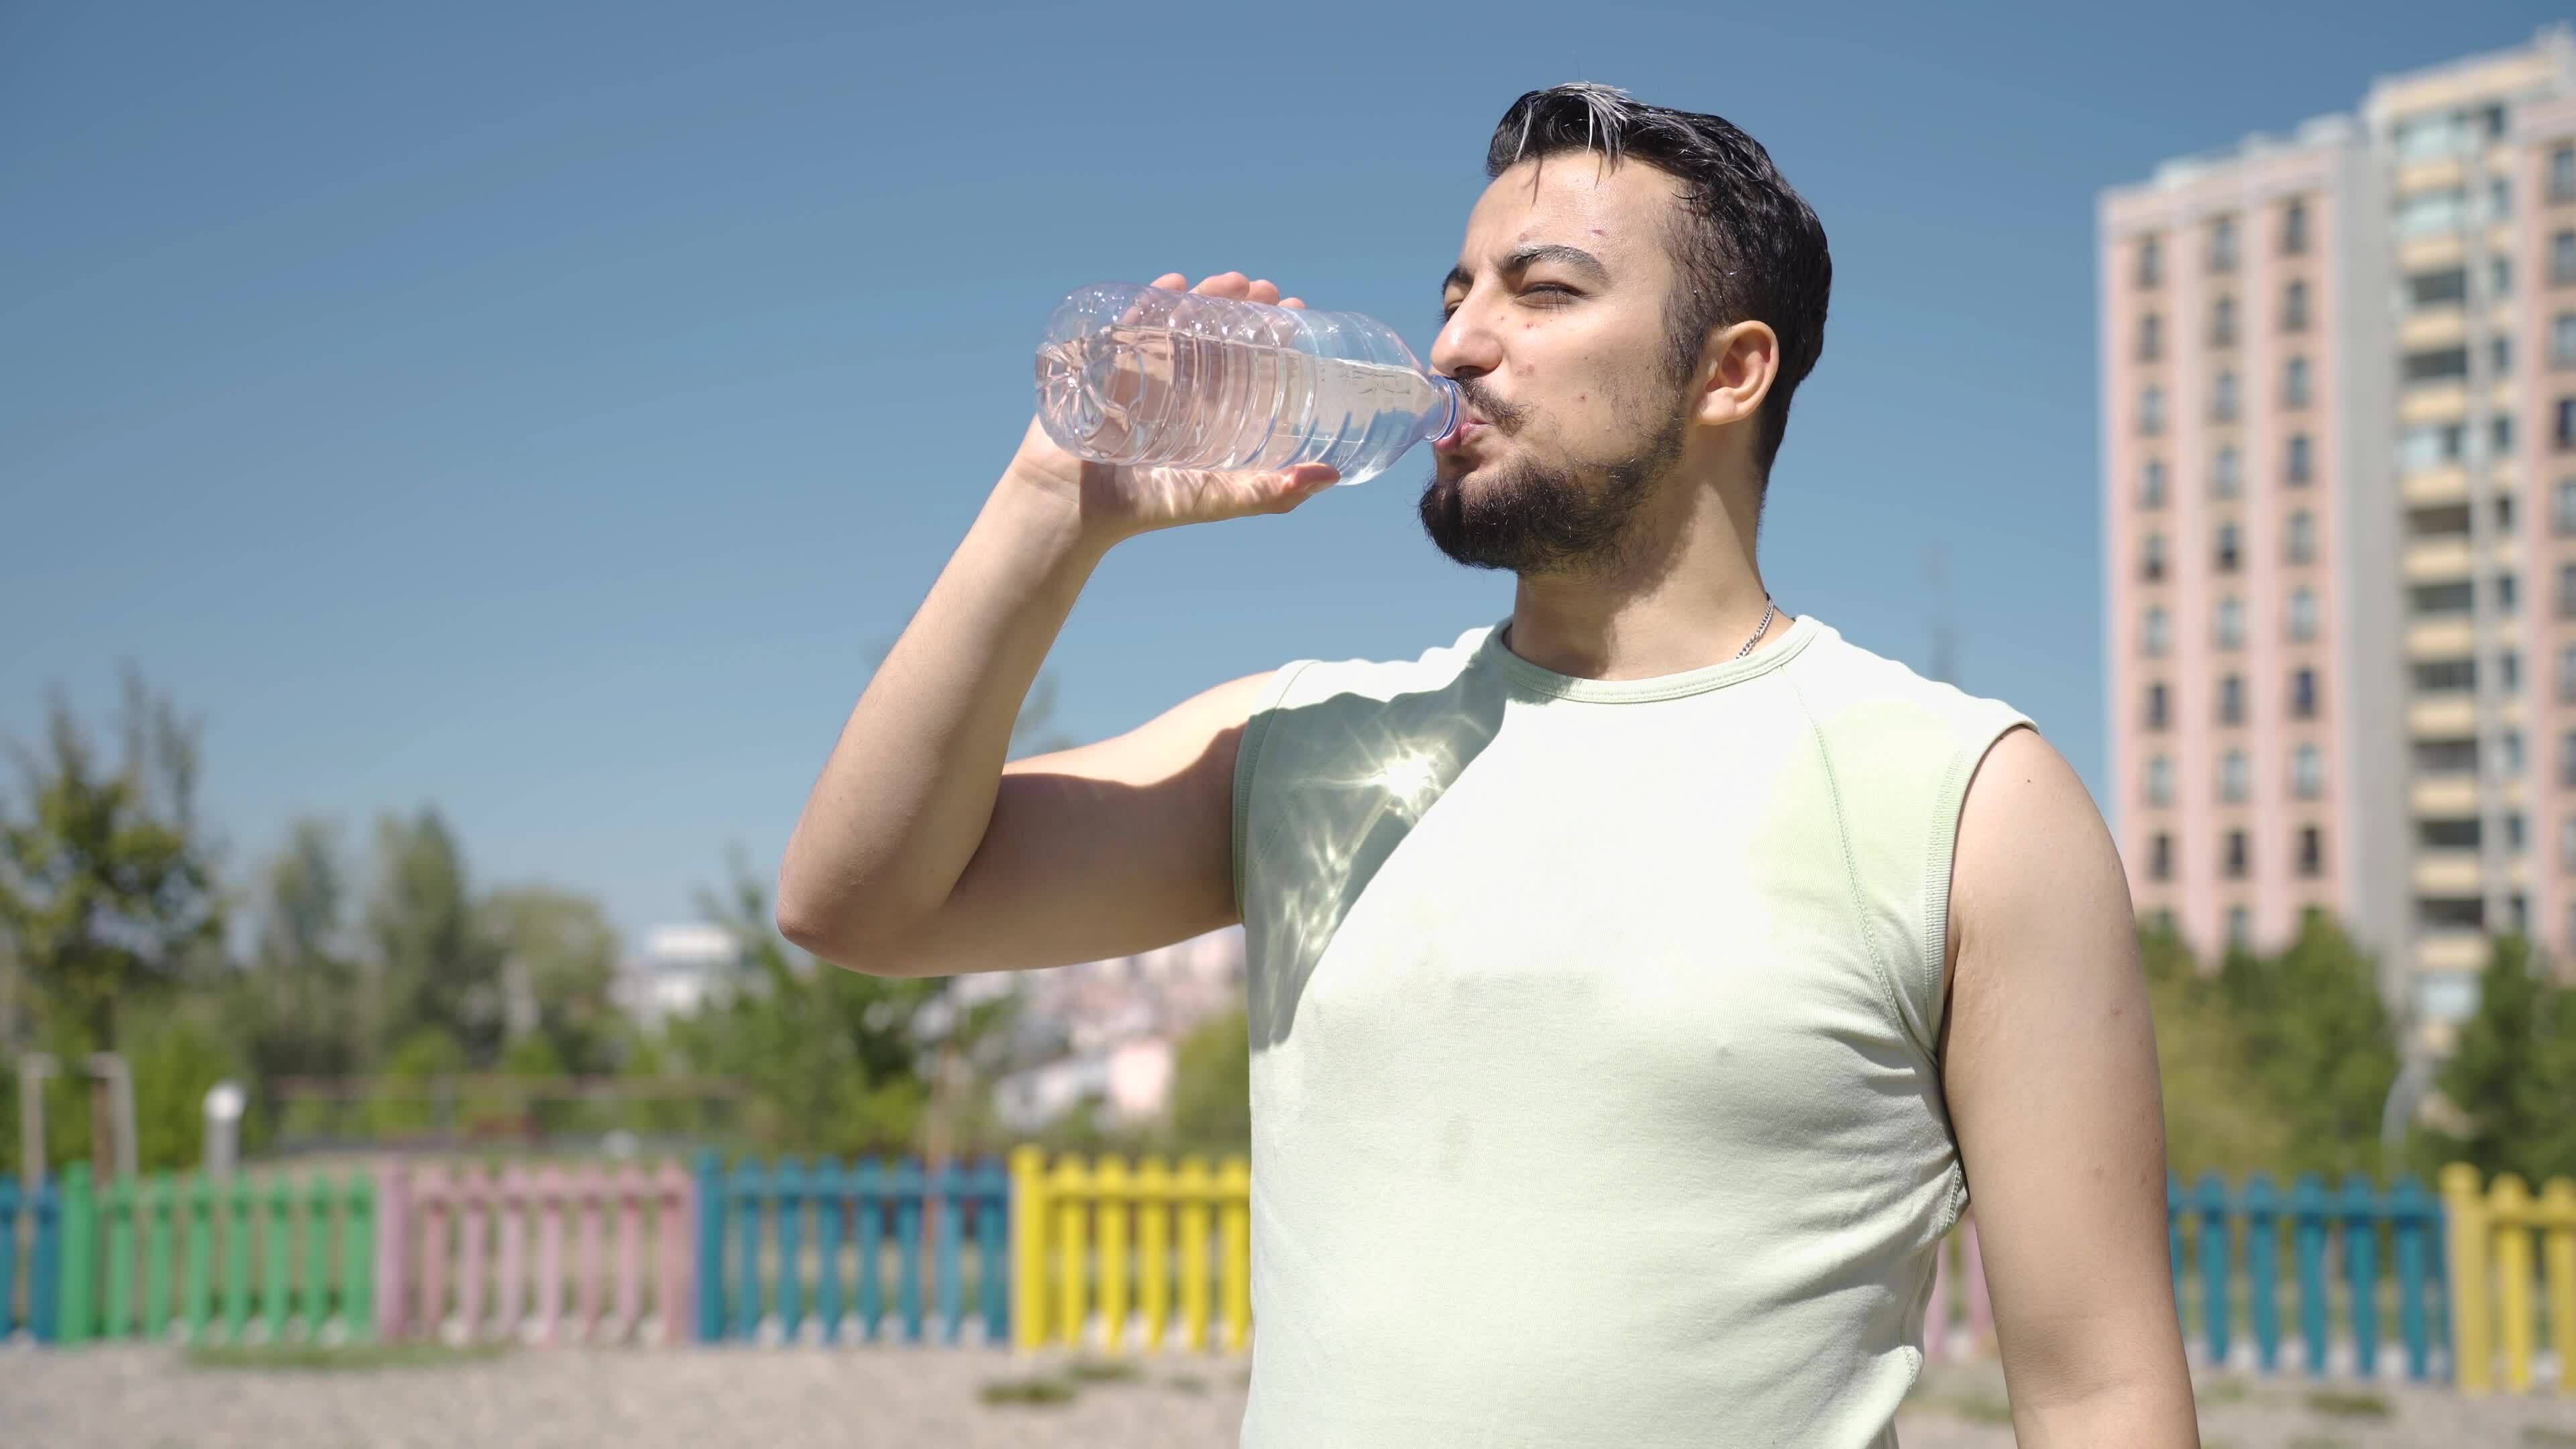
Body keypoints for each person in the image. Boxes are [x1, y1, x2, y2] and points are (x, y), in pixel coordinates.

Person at [779, 83, 2197, 1448]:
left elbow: (2097, 1395)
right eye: (1456, 291)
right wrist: (1051, 506)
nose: (1457, 344)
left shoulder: (1968, 800)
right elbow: (859, 905)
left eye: (1545, 290)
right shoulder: (1309, 744)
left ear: (1730, 371)